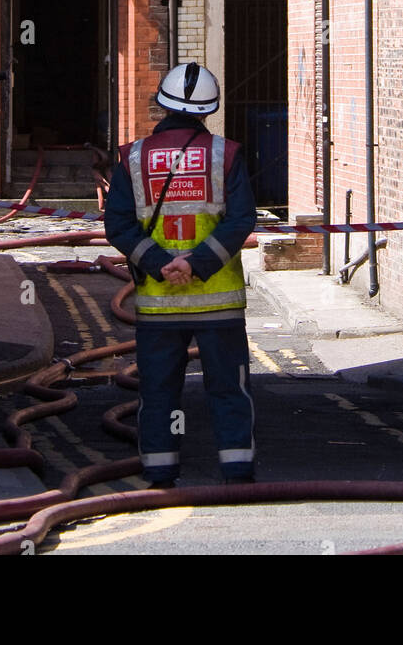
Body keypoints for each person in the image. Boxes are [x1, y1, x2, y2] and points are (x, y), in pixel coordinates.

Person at [104, 61, 257, 488]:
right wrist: (196, 264)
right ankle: (237, 471)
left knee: (158, 393)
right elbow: (241, 219)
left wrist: (158, 263)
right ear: (209, 109)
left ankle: (160, 471)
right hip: (219, 304)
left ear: (160, 103)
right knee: (229, 390)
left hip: (158, 305)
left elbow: (117, 225)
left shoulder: (134, 157)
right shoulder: (225, 155)